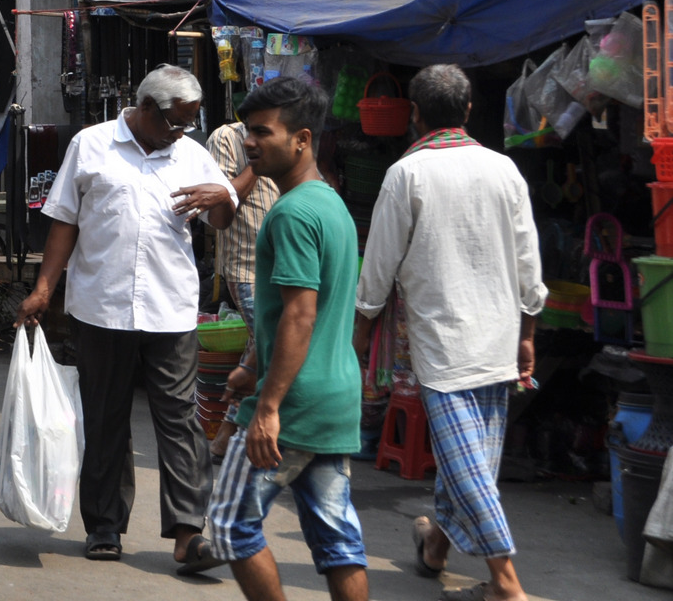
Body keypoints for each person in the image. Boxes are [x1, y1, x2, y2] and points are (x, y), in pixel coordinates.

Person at [17, 64, 238, 569]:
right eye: (175, 121)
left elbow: (221, 219)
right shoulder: (91, 145)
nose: (182, 131)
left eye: (189, 122)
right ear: (145, 108)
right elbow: (64, 223)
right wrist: (44, 288)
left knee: (180, 420)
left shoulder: (191, 154)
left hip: (171, 309)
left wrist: (221, 196)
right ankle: (104, 525)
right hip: (101, 306)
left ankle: (188, 533)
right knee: (105, 415)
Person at [355, 65, 543, 601]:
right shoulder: (504, 169)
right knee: (472, 459)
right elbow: (529, 264)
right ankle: (435, 546)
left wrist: (361, 334)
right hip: (498, 337)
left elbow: (379, 266)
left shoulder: (407, 174)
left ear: (414, 115)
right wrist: (529, 333)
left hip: (443, 343)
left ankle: (506, 584)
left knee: (469, 466)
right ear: (466, 111)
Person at [208, 77, 367, 601]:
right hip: (333, 398)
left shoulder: (293, 213)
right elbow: (289, 315)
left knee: (231, 526)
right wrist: (252, 364)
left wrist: (268, 405)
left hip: (292, 404)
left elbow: (300, 315)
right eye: (247, 131)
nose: (249, 143)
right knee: (338, 543)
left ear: (301, 139)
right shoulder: (331, 204)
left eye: (261, 133)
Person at [206, 117, 283, 458]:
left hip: (285, 265)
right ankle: (240, 436)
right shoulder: (227, 138)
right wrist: (257, 160)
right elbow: (222, 204)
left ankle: (226, 436)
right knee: (270, 349)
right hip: (248, 266)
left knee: (260, 348)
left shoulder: (286, 134)